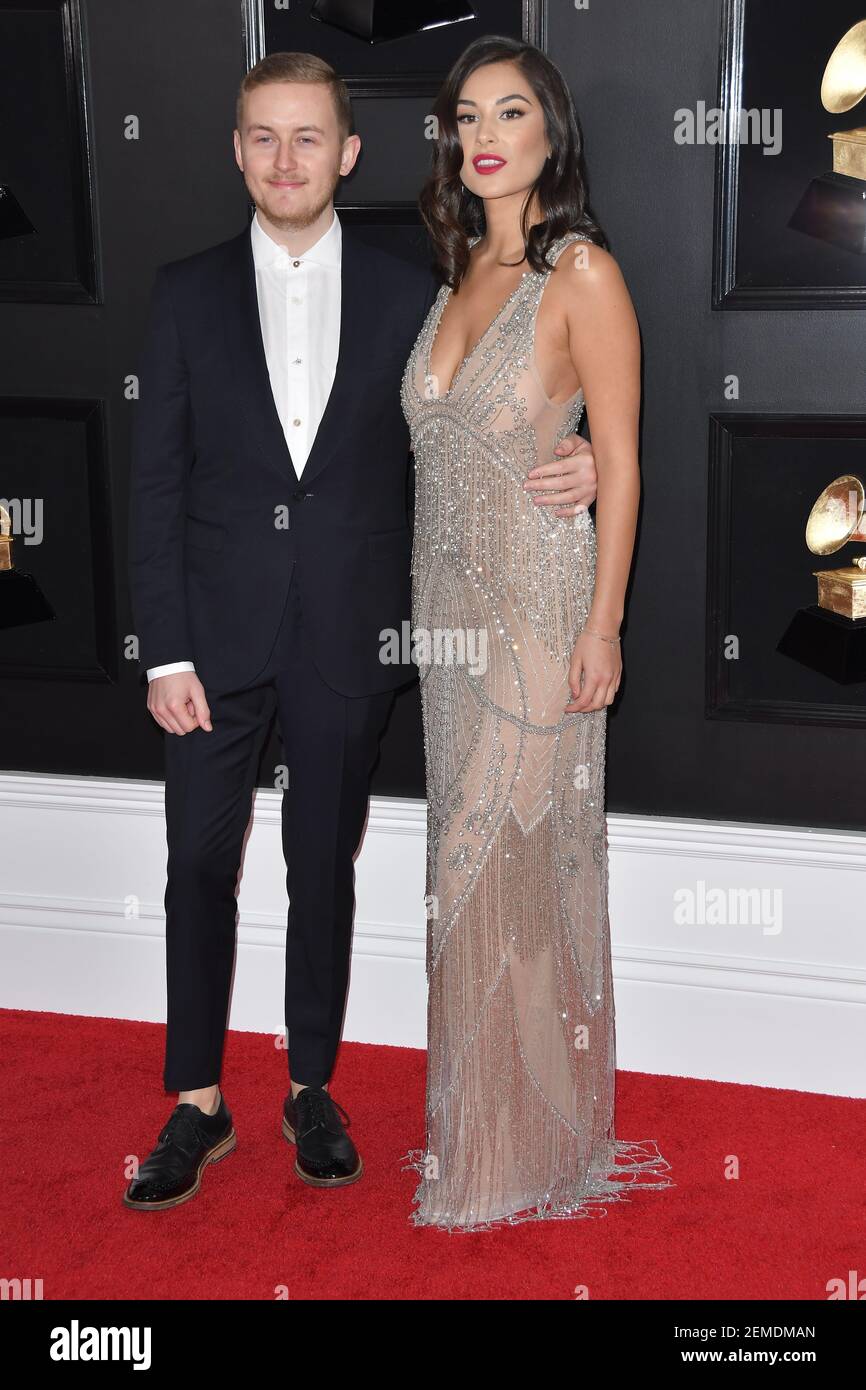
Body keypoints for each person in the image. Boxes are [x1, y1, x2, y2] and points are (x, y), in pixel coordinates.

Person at [123, 51, 598, 1210]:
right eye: (263, 136)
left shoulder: (410, 290)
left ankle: (310, 1088)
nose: (284, 159)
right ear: (237, 151)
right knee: (196, 865)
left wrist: (572, 453)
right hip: (210, 644)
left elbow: (470, 421)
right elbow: (154, 483)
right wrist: (163, 648)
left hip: (349, 634)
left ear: (346, 153)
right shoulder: (183, 291)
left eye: (307, 138)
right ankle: (197, 1099)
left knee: (318, 866)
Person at [400, 35, 674, 1230]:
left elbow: (621, 459)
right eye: (466, 116)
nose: (483, 136)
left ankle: (521, 1153)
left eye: (509, 112)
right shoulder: (457, 268)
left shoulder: (582, 273)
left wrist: (603, 627)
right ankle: (484, 1132)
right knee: (459, 874)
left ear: (550, 134)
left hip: (537, 613)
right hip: (443, 627)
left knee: (506, 863)